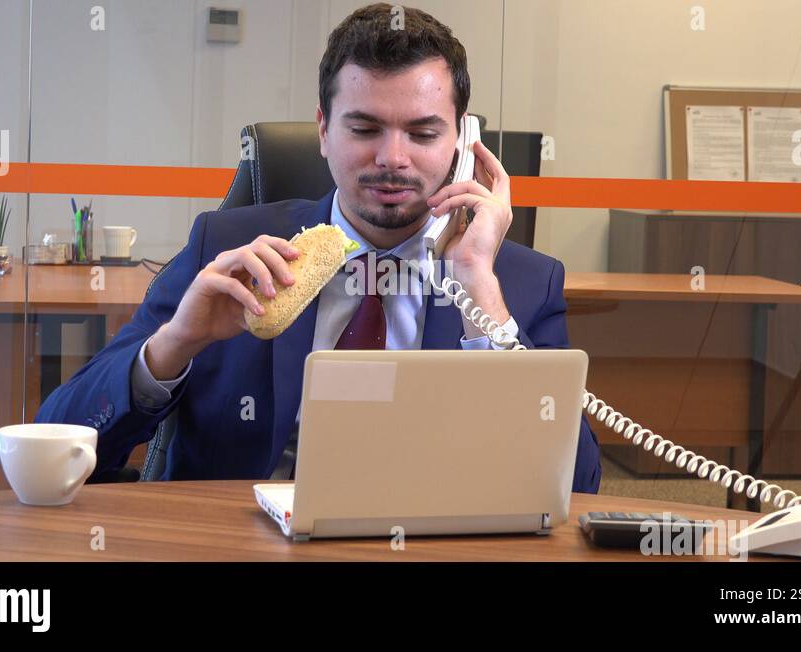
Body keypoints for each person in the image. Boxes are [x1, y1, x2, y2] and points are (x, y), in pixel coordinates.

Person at [36, 3, 602, 492]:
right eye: (364, 129)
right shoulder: (226, 245)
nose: (392, 158)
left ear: (462, 143)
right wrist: (176, 343)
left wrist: (480, 288)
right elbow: (61, 439)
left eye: (424, 133)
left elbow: (577, 485)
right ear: (323, 132)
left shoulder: (520, 284)